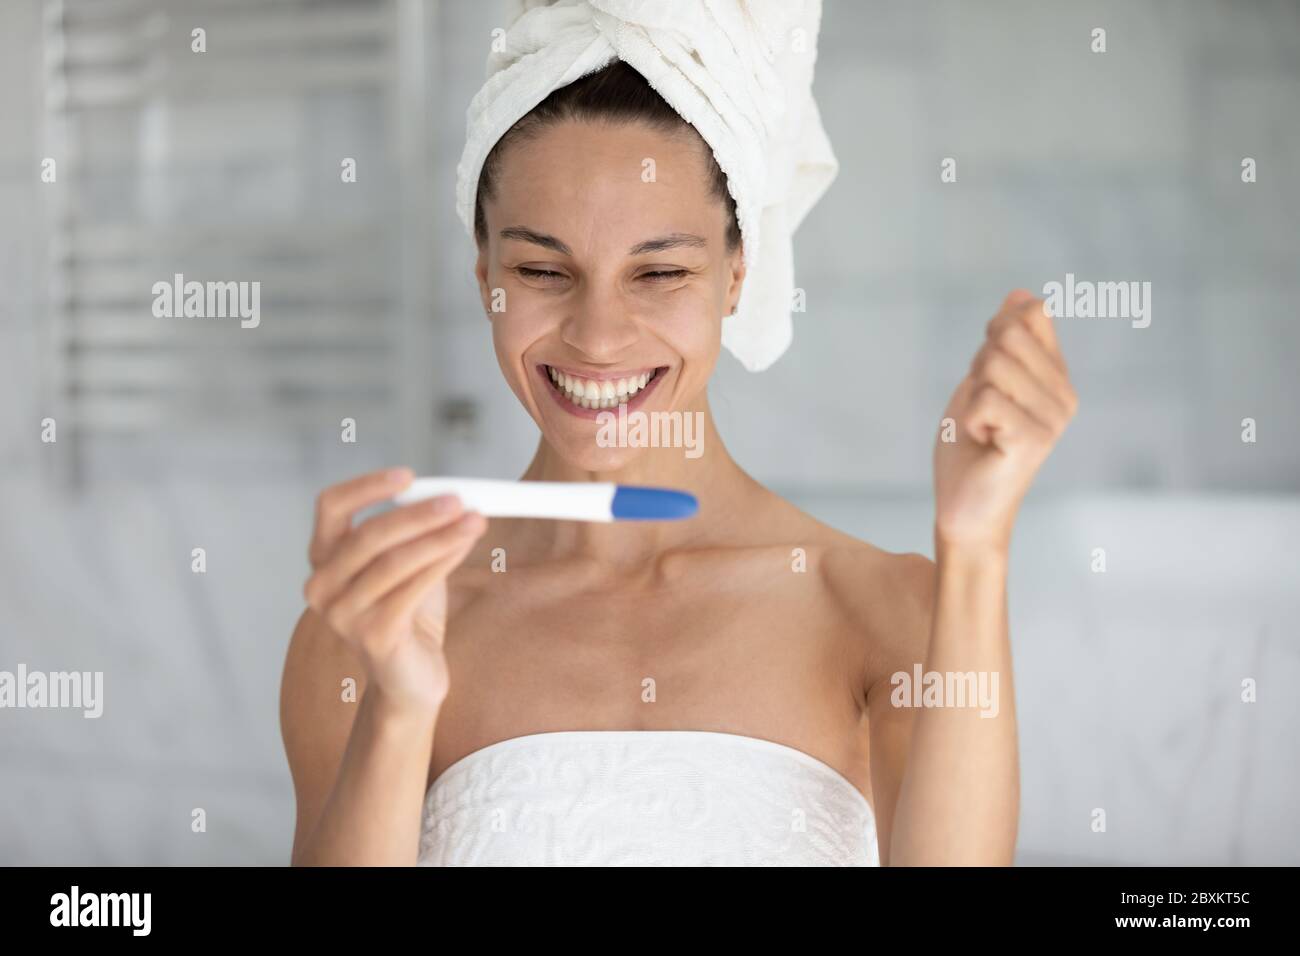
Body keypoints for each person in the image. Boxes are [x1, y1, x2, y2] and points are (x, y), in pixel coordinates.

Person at [279, 53, 1076, 866]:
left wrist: (977, 549)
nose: (597, 335)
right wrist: (399, 710)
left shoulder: (889, 612)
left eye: (659, 272)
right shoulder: (369, 627)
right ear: (485, 272)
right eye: (541, 270)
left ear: (736, 275)